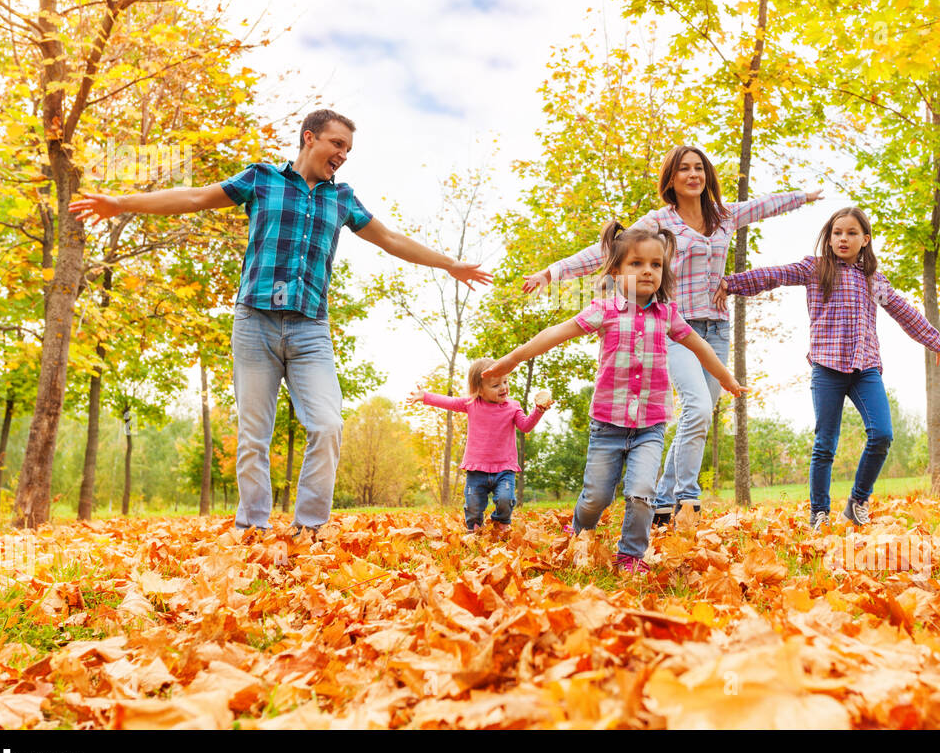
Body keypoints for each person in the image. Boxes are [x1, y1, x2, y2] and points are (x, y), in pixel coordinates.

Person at [70, 109, 491, 537]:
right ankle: (252, 527)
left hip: (310, 328)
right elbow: (195, 198)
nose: (343, 155)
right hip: (255, 322)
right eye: (337, 144)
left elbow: (391, 239)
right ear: (310, 138)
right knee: (254, 435)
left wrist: (450, 264)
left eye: (348, 149)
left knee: (328, 426)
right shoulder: (261, 179)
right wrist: (119, 203)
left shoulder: (341, 198)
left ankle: (308, 529)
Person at [522, 145, 821, 525]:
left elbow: (763, 205)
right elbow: (608, 251)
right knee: (695, 406)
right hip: (675, 328)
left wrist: (802, 198)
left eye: (699, 168)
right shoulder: (658, 222)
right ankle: (686, 499)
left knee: (699, 418)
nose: (693, 175)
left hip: (717, 327)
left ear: (707, 176)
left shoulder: (722, 217)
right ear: (672, 178)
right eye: (684, 169)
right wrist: (553, 272)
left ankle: (661, 500)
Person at [488, 222, 745, 572]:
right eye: (636, 264)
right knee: (596, 497)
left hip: (650, 426)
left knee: (642, 493)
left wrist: (726, 377)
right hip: (607, 425)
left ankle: (630, 555)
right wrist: (511, 359)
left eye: (656, 265)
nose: (647, 271)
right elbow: (556, 333)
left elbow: (699, 346)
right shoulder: (604, 309)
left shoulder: (667, 314)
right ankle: (580, 528)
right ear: (615, 270)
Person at [714, 206, 940, 530]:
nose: (843, 238)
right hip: (827, 368)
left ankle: (857, 501)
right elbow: (774, 274)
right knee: (825, 443)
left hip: (865, 368)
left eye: (851, 233)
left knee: (882, 433)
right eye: (837, 233)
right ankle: (819, 512)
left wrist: (935, 341)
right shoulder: (814, 269)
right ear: (829, 240)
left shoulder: (874, 280)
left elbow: (904, 311)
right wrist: (731, 284)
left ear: (865, 240)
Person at [408, 358, 552, 533]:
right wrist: (425, 396)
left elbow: (526, 426)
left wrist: (538, 411)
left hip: (504, 468)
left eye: (505, 382)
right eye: (496, 385)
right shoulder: (472, 404)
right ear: (479, 390)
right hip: (476, 469)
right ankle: (475, 528)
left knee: (506, 499)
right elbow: (449, 402)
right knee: (473, 503)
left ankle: (501, 523)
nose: (504, 388)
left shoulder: (513, 407)